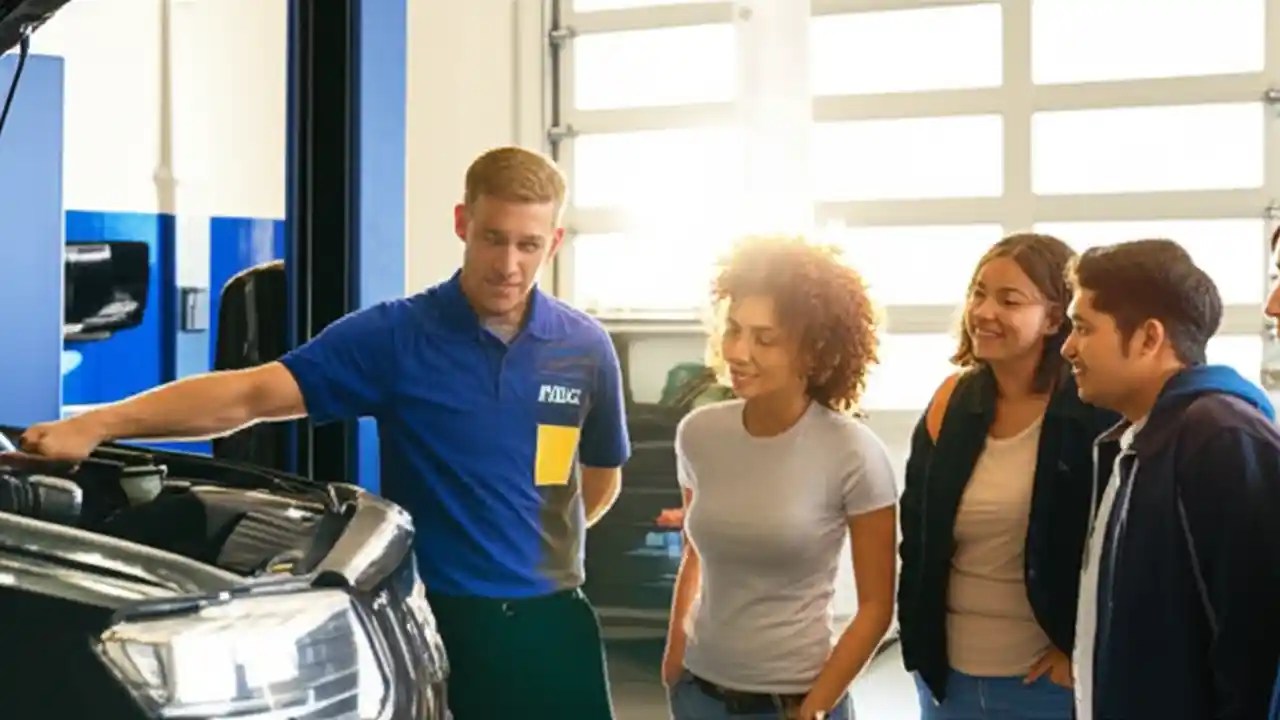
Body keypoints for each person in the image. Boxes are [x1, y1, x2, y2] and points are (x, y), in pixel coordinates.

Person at [6, 146, 632, 719]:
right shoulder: (395, 337)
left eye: (529, 245)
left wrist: (535, 548)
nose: (509, 264)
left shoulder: (584, 347)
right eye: (495, 238)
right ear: (463, 222)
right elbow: (248, 394)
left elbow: (600, 478)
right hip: (436, 618)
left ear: (555, 241)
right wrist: (96, 424)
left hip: (553, 622)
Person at [660, 235, 898, 720]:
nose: (740, 351)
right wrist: (675, 656)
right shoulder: (699, 433)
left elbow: (876, 607)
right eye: (734, 330)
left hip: (793, 702)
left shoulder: (852, 452)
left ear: (813, 354)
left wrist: (814, 710)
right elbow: (694, 550)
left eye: (765, 339)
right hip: (699, 695)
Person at [898, 233, 1116, 719]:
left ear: (1055, 319)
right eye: (978, 293)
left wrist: (1077, 651)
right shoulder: (950, 402)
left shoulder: (1091, 411)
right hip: (947, 678)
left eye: (1009, 300)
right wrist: (916, 644)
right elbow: (916, 537)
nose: (983, 311)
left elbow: (1114, 550)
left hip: (1046, 683)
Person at [1062, 239, 1280, 720]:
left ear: (1148, 338)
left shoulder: (1220, 437)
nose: (1068, 347)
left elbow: (1255, 651)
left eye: (1082, 328)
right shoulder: (1135, 441)